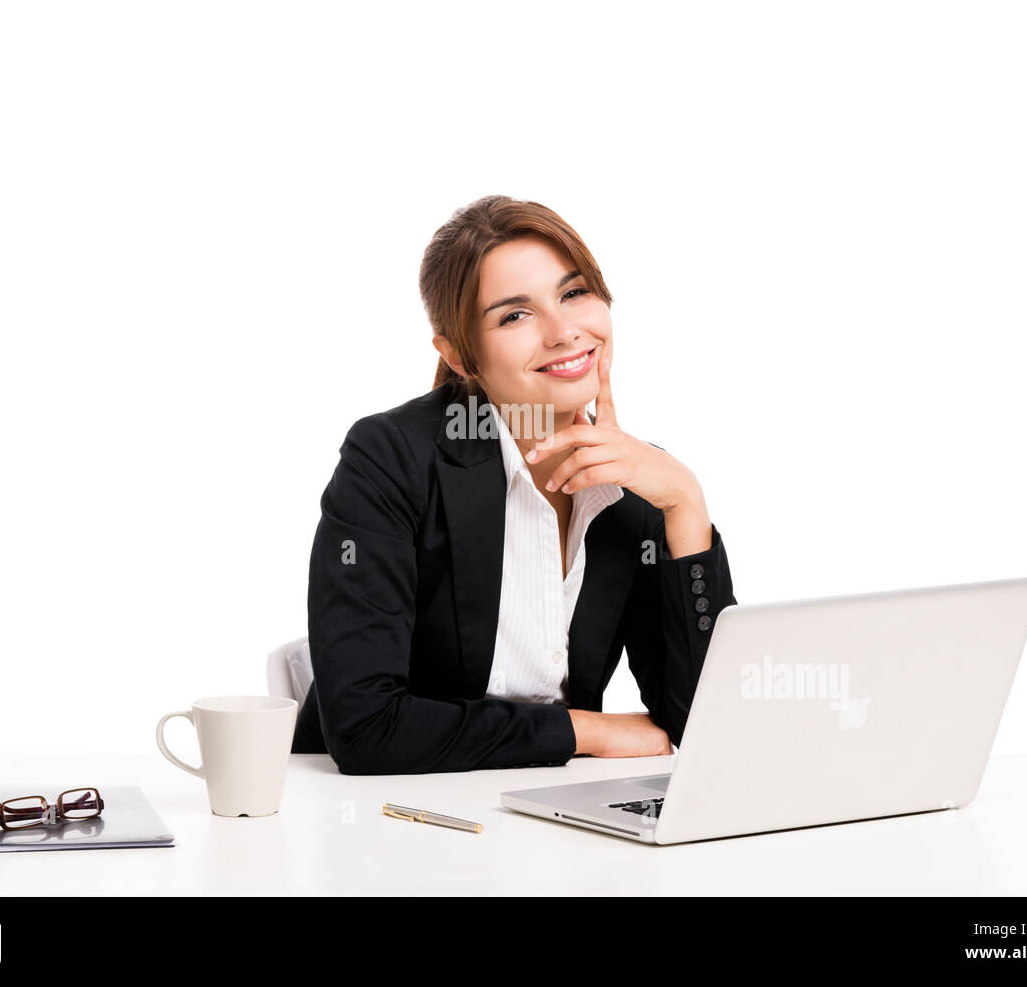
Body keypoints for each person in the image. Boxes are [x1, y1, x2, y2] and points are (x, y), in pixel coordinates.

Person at [290, 194, 736, 774]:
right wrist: (579, 730)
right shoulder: (390, 459)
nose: (563, 332)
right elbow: (366, 727)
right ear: (460, 355)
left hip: (543, 821)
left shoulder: (634, 483)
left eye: (574, 293)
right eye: (514, 315)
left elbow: (709, 727)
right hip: (376, 821)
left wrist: (684, 504)